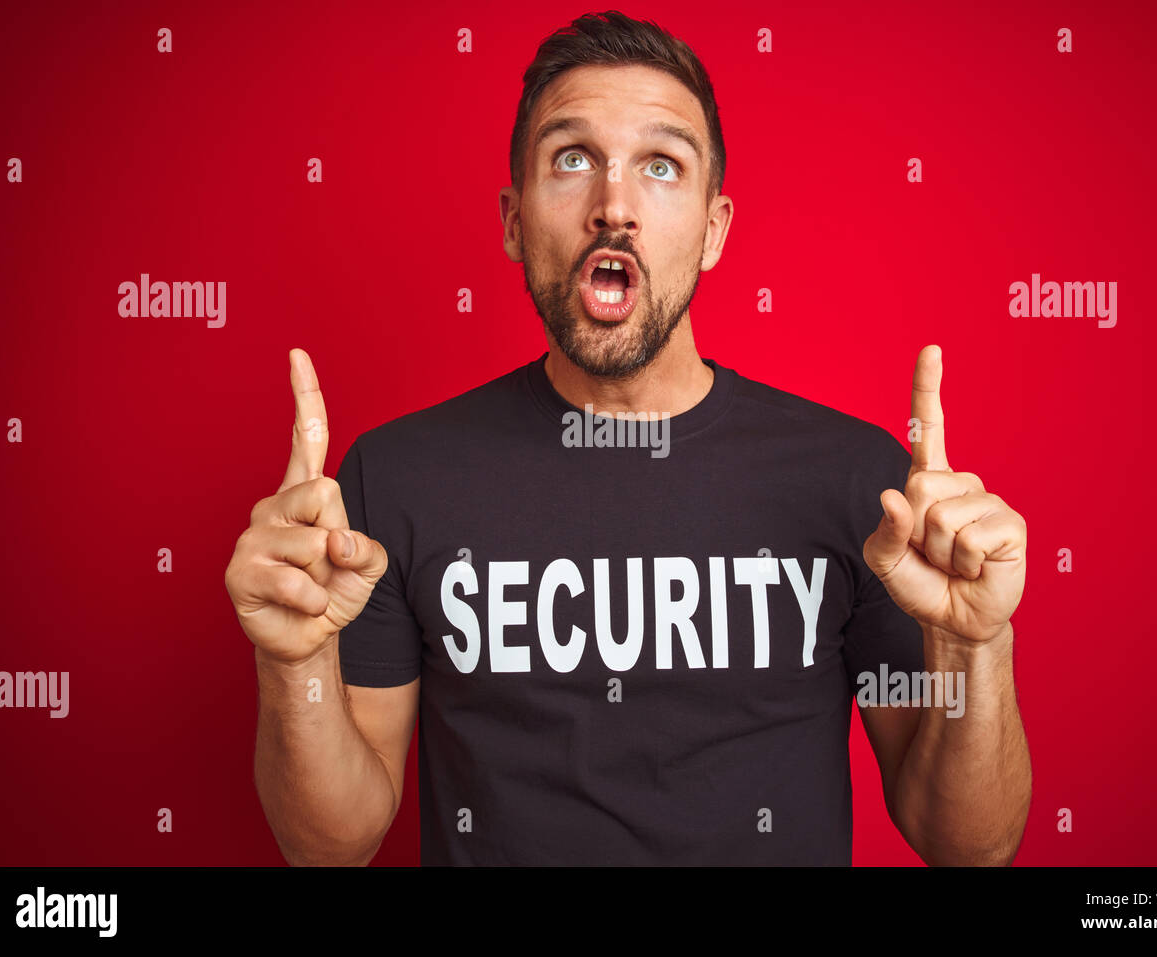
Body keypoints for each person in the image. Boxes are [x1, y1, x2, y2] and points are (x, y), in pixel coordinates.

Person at [224, 10, 1031, 866]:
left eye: (661, 165)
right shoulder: (391, 480)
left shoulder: (869, 494)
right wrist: (294, 666)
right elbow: (331, 847)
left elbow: (969, 846)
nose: (615, 207)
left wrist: (977, 647)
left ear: (714, 230)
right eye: (572, 159)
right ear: (512, 219)